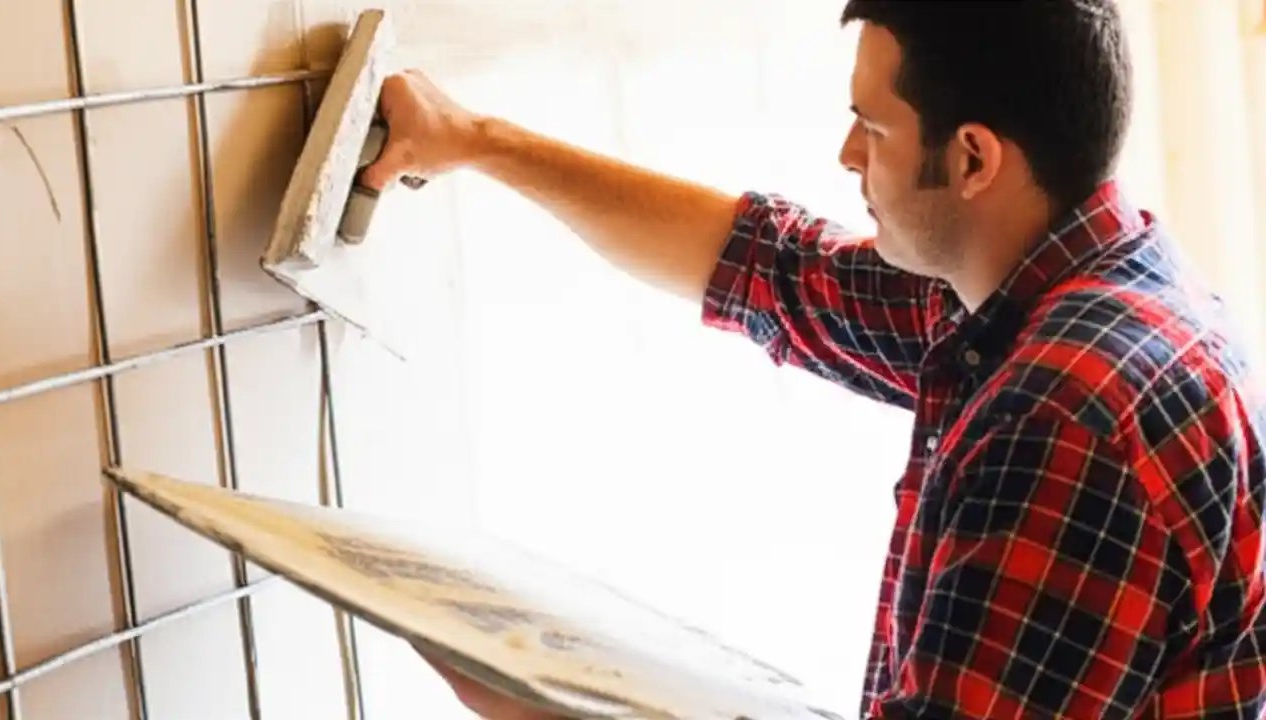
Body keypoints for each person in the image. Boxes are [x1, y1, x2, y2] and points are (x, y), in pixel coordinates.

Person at [361, 1, 1266, 718]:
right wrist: (476, 140)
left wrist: (556, 709)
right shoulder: (1079, 283)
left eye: (872, 127)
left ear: (972, 159)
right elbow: (768, 268)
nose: (847, 154)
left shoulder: (1063, 415)